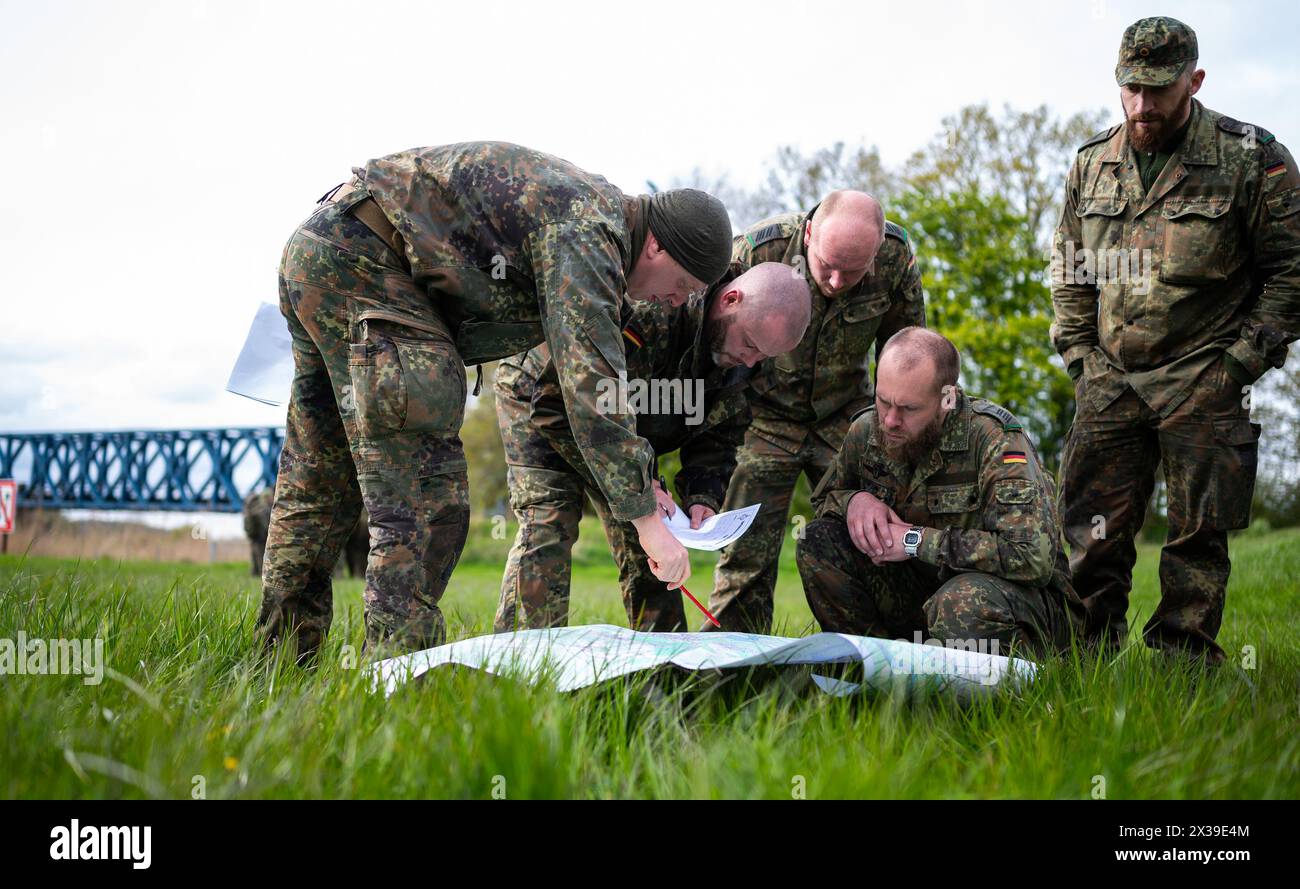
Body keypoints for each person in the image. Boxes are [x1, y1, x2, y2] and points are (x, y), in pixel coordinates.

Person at [256, 141, 733, 661]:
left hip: (325, 251)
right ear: (657, 248)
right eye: (682, 284)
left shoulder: (593, 218)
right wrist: (645, 520)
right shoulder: (592, 232)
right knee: (425, 495)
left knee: (318, 478)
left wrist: (642, 489)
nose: (675, 301)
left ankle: (281, 662)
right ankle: (398, 678)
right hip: (369, 265)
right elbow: (593, 387)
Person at [1050, 17, 1300, 664]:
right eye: (1130, 88)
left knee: (1198, 538)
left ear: (1195, 80)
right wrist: (1081, 359)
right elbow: (1071, 270)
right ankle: (1084, 663)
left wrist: (1240, 364)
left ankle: (1182, 666)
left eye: (1158, 89)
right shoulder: (1091, 165)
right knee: (1091, 536)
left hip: (1203, 376)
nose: (1142, 105)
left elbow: (1292, 270)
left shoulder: (1252, 158)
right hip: (1111, 378)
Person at [494, 262, 811, 631]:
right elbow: (571, 410)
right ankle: (519, 666)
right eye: (751, 346)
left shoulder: (751, 348)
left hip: (623, 423)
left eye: (763, 357)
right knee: (550, 519)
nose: (751, 361)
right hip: (547, 395)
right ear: (730, 300)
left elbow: (721, 430)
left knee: (653, 534)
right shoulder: (653, 308)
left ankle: (663, 674)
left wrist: (702, 498)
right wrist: (642, 488)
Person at [708, 190, 927, 632]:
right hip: (763, 419)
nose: (837, 281)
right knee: (744, 555)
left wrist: (898, 445)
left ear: (876, 252)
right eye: (827, 265)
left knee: (872, 542)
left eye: (853, 270)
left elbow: (907, 356)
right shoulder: (759, 250)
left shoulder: (895, 259)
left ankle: (871, 665)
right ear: (809, 234)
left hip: (844, 421)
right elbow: (714, 341)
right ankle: (728, 677)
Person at [797, 328, 1084, 654]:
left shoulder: (995, 440)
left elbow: (1031, 558)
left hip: (1014, 606)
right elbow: (825, 500)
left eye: (908, 409)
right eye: (883, 401)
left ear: (947, 399)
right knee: (817, 539)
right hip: (922, 598)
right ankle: (875, 670)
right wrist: (853, 502)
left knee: (960, 601)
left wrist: (916, 541)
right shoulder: (867, 431)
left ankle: (992, 695)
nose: (890, 420)